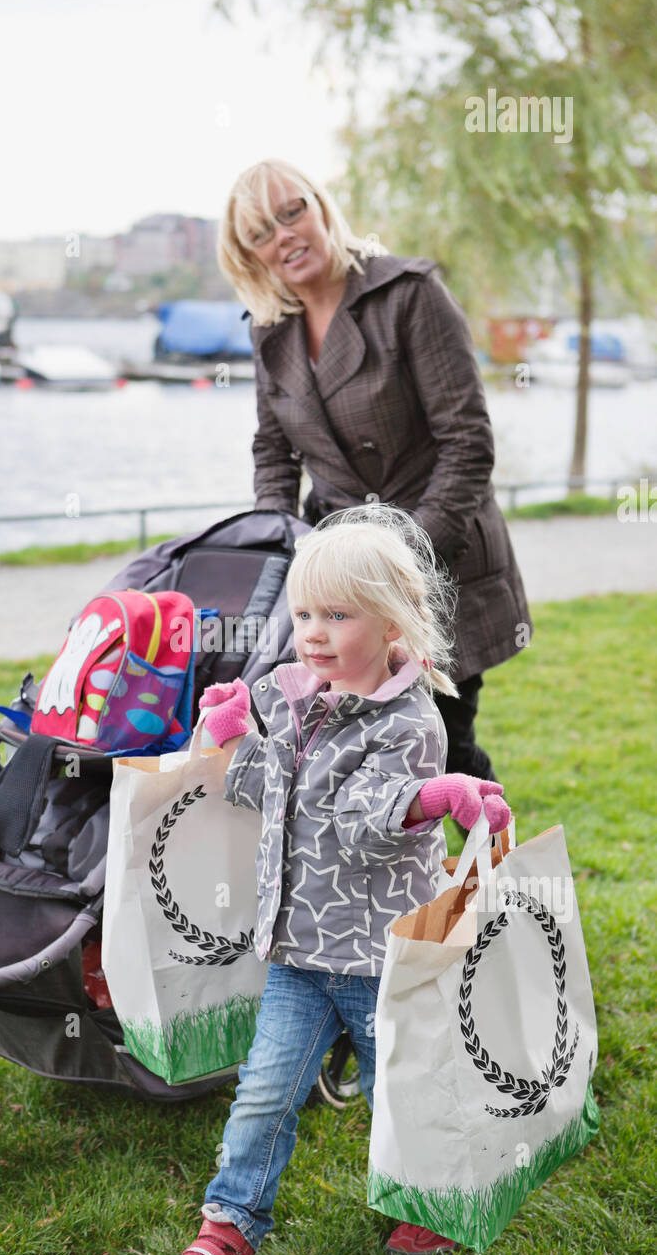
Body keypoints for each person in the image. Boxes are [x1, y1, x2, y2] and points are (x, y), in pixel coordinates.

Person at [145, 505, 511, 1255]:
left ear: (391, 626)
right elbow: (263, 799)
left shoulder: (408, 724)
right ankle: (228, 1233)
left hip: (381, 959)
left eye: (337, 615)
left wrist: (428, 798)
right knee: (262, 1098)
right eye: (304, 613)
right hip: (298, 951)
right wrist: (237, 736)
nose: (312, 632)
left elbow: (360, 825)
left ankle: (437, 1203)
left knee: (404, 1093)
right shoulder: (296, 698)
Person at [216, 158, 533, 793]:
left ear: (322, 207)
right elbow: (273, 451)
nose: (283, 234)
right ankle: (398, 889)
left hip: (438, 563)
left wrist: (397, 560)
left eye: (292, 211)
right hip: (334, 587)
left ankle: (504, 874)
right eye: (260, 232)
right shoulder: (270, 331)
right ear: (249, 257)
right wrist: (273, 543)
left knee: (440, 749)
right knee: (351, 759)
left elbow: (467, 444)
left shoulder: (409, 294)